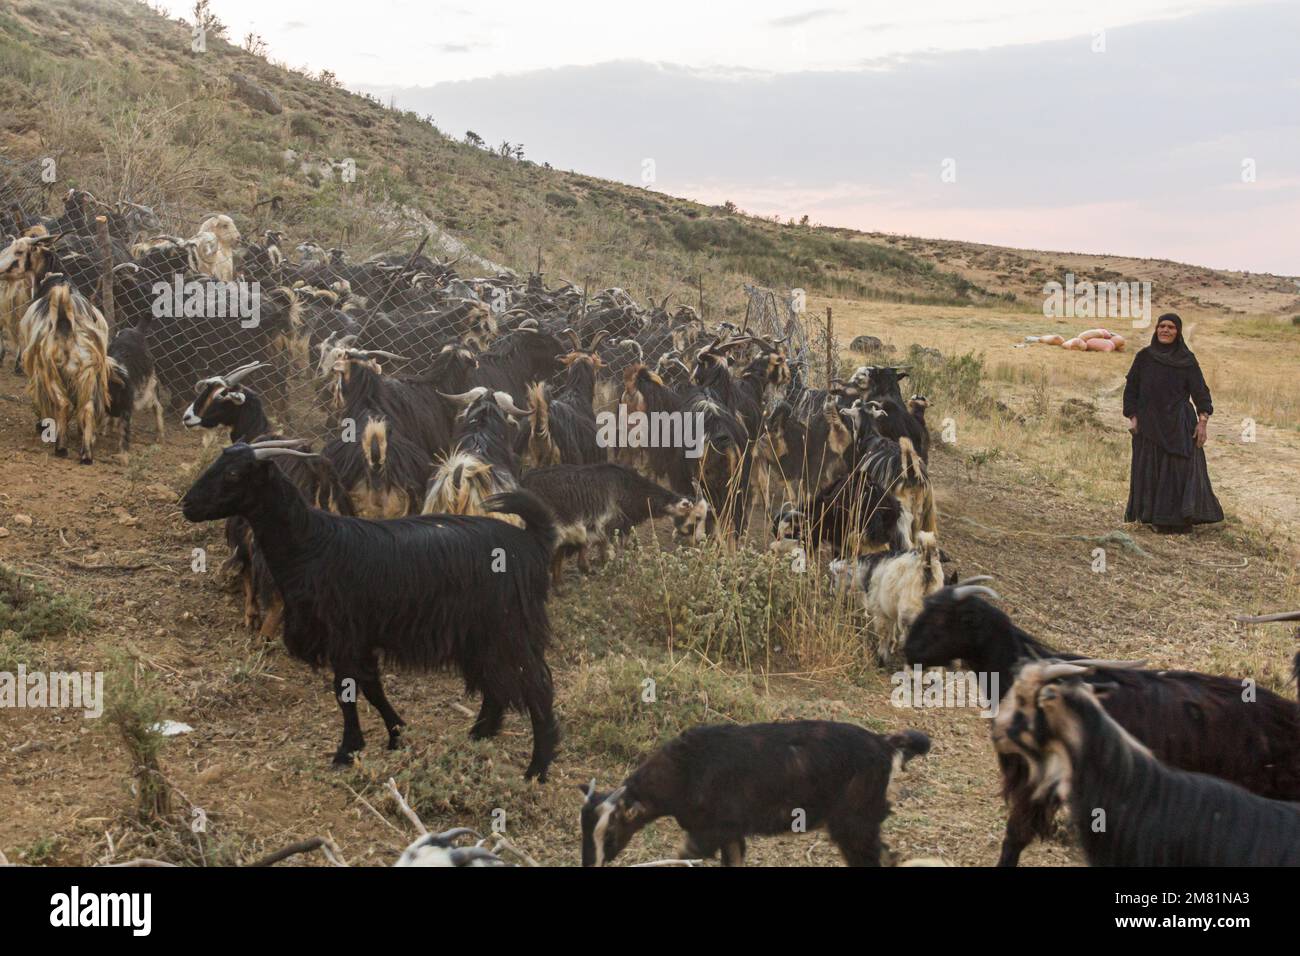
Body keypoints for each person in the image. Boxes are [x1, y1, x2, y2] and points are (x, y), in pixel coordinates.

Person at [1122, 312, 1223, 533]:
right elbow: (1131, 390)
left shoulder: (1187, 360)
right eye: (1161, 326)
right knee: (1150, 469)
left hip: (1178, 425)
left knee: (1177, 470)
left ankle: (1175, 522)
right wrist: (1133, 417)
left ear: (1178, 332)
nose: (1165, 330)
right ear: (1156, 329)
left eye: (1171, 327)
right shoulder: (1144, 357)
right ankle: (1150, 516)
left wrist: (1202, 421)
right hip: (1149, 425)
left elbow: (1201, 393)